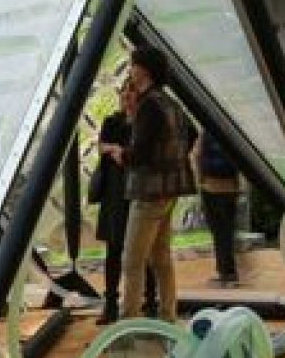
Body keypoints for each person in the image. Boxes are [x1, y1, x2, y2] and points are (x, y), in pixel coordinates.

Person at [100, 46, 195, 321]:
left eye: (132, 64)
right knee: (161, 258)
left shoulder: (149, 105)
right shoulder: (170, 103)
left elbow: (138, 153)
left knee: (132, 261)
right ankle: (168, 316)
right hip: (170, 190)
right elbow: (191, 133)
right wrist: (172, 157)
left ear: (143, 69)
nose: (129, 69)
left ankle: (127, 324)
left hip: (149, 192)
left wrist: (119, 152)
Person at [92, 83, 155, 324]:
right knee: (114, 250)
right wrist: (115, 149)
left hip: (138, 194)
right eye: (124, 95)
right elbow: (101, 146)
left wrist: (119, 151)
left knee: (144, 250)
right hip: (114, 196)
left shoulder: (144, 124)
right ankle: (110, 304)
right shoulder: (112, 121)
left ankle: (150, 301)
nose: (126, 99)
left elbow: (140, 153)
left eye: (131, 95)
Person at [194, 130, 240, 287]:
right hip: (230, 187)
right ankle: (227, 272)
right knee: (226, 232)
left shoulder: (207, 133)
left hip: (211, 186)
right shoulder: (230, 129)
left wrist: (199, 179)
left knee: (220, 232)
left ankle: (226, 274)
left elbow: (197, 155)